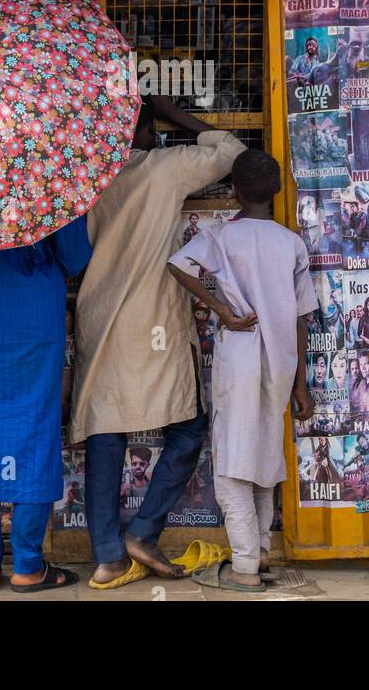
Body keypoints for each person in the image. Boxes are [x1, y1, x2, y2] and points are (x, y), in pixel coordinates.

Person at [72, 97, 245, 588]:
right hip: (154, 322)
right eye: (154, 130)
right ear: (147, 131)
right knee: (189, 427)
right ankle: (143, 532)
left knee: (107, 431)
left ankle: (108, 556)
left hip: (100, 317)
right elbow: (232, 150)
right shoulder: (164, 168)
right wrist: (177, 116)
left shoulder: (87, 179)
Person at [167, 150, 317, 592]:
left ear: (233, 190)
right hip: (280, 365)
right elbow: (302, 317)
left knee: (232, 464)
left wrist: (223, 310)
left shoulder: (220, 237)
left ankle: (246, 566)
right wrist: (301, 385)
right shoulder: (291, 242)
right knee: (265, 457)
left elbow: (177, 265)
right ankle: (263, 551)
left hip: (239, 358)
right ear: (275, 193)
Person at [0, 215, 91, 594]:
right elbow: (75, 256)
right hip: (34, 321)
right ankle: (28, 565)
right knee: (34, 426)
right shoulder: (51, 176)